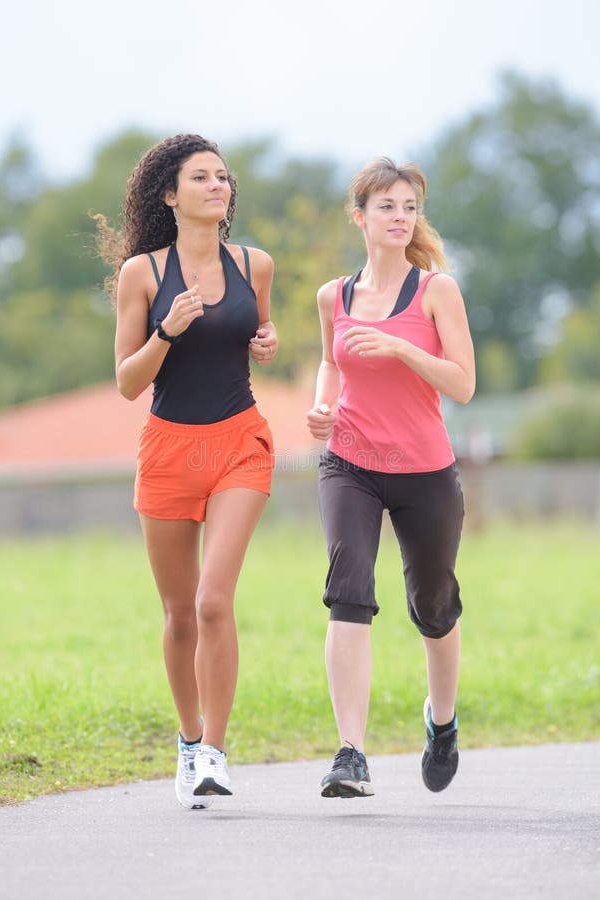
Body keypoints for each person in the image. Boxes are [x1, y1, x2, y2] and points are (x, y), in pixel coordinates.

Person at [95, 134, 277, 809]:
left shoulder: (254, 263)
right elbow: (125, 382)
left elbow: (255, 337)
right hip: (169, 449)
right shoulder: (143, 274)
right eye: (200, 178)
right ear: (170, 195)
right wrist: (165, 331)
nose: (216, 187)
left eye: (223, 177)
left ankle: (215, 754)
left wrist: (266, 340)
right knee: (178, 616)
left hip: (240, 442)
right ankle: (188, 738)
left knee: (212, 601)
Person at [306, 157, 475, 798]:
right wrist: (324, 408)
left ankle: (441, 721)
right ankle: (350, 753)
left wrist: (403, 347)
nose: (401, 218)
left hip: (425, 470)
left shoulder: (437, 291)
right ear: (361, 217)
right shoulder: (334, 296)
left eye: (409, 207)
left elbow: (463, 383)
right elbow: (330, 362)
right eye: (387, 208)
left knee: (433, 608)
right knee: (348, 590)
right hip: (349, 461)